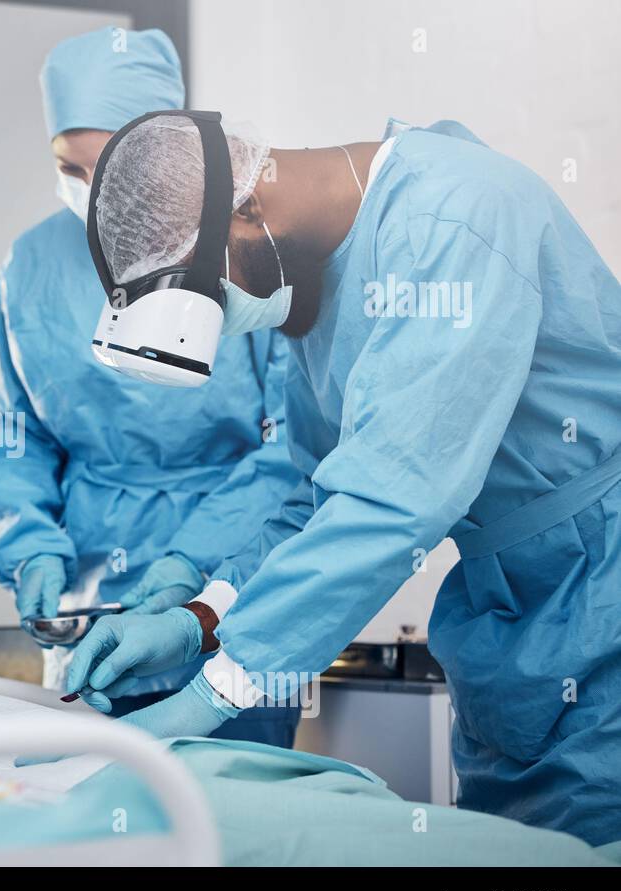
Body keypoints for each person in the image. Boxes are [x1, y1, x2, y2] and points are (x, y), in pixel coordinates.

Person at [65, 112, 621, 845]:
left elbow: (394, 499)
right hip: (507, 615)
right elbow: (314, 493)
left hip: (599, 582)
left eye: (223, 302)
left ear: (249, 208)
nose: (238, 323)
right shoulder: (322, 286)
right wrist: (198, 617)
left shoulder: (455, 219)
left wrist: (217, 690)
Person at [0, 28, 301, 744]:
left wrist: (195, 561)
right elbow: (7, 433)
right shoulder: (31, 265)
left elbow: (292, 448)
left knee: (232, 823)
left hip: (236, 593)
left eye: (114, 164)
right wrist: (29, 546)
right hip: (90, 603)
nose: (94, 194)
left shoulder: (240, 251)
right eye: (70, 167)